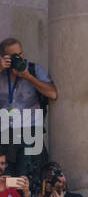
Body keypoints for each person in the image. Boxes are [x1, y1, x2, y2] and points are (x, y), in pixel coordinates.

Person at [0, 36, 57, 176]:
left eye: (20, 54)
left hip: (30, 131)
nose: (18, 59)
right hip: (4, 133)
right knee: (7, 178)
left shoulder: (33, 69)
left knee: (31, 177)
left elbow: (53, 94)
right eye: (13, 56)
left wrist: (29, 77)